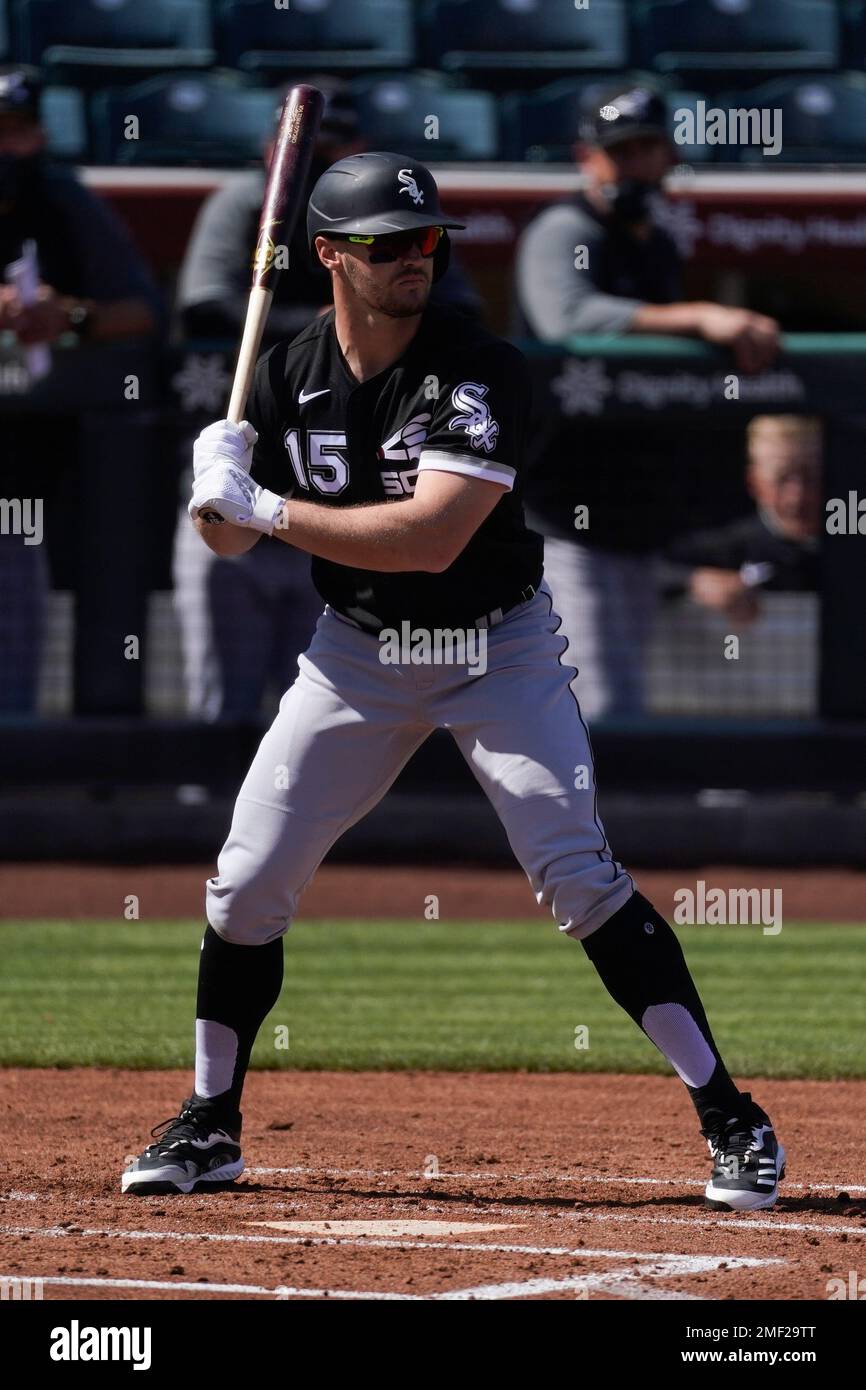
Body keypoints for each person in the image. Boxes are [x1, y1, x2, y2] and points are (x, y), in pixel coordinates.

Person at [123, 153, 785, 1213]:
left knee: (576, 874)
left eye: (426, 239)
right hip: (354, 656)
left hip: (494, 650)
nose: (413, 259)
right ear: (331, 254)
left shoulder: (479, 369)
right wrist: (214, 489)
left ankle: (729, 1115)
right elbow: (230, 545)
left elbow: (430, 539)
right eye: (387, 244)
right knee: (245, 884)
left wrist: (266, 511)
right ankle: (209, 1119)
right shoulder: (289, 370)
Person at [172, 82, 482, 720]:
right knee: (221, 706)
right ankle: (209, 797)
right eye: (316, 145)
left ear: (359, 149)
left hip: (344, 518)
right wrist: (315, 324)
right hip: (256, 451)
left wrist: (353, 320)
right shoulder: (251, 204)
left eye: (336, 145)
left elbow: (462, 307)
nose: (407, 256)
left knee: (320, 710)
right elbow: (204, 304)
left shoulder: (394, 223)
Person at [515, 83, 781, 721]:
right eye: (621, 152)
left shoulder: (655, 243)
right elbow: (567, 319)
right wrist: (703, 316)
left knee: (625, 708)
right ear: (588, 157)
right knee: (596, 708)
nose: (635, 164)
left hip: (634, 521)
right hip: (561, 517)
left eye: (647, 150)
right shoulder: (564, 228)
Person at [0, 65, 161, 714]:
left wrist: (67, 316)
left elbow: (143, 312)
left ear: (39, 135)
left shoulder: (63, 200)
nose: (4, 147)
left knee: (12, 660)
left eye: (15, 132)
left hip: (19, 479)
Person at [664, 415, 821, 624]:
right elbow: (650, 569)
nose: (797, 496)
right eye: (781, 478)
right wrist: (694, 580)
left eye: (811, 476)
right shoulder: (725, 547)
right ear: (754, 481)